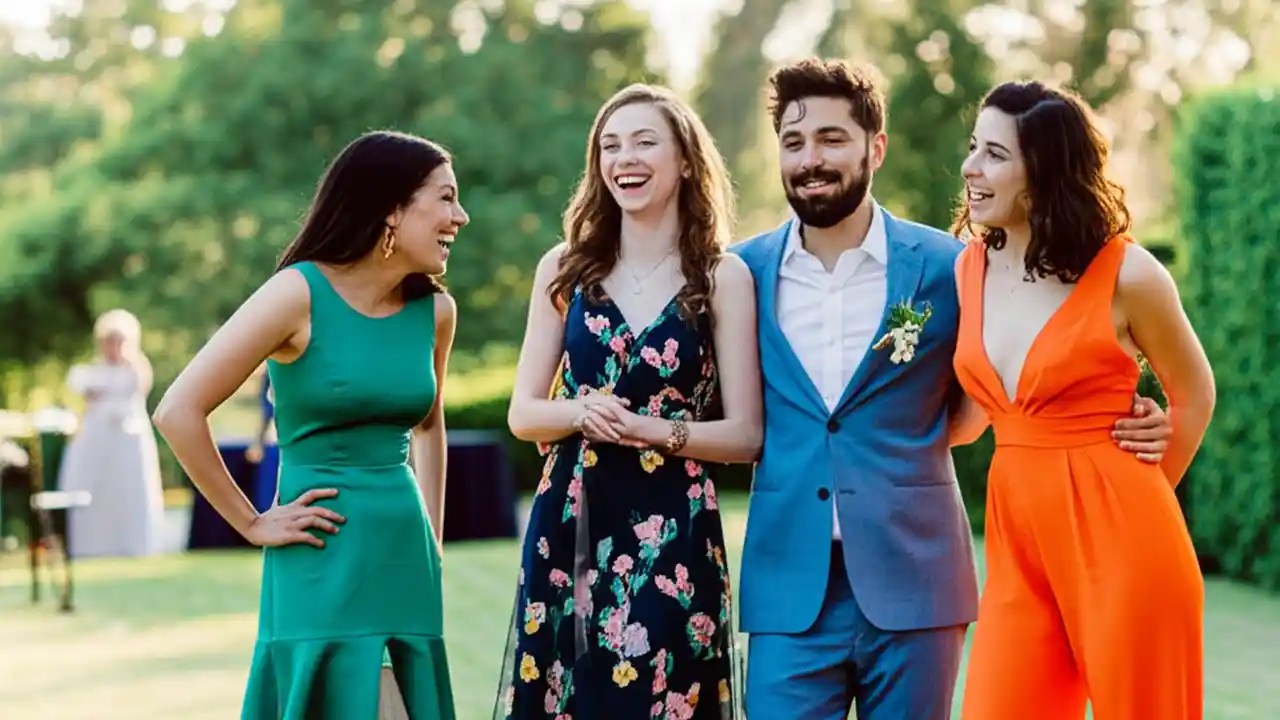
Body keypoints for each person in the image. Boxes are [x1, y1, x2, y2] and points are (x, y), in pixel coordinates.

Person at [729, 58, 1174, 720]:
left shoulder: (951, 265)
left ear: (874, 146)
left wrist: (1119, 406)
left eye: (831, 139)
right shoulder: (741, 273)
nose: (809, 159)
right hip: (787, 590)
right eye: (793, 143)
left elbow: (1016, 368)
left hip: (917, 583)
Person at [153, 129, 465, 719]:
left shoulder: (436, 312)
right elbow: (177, 411)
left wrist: (435, 540)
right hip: (319, 548)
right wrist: (250, 521)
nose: (461, 216)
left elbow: (428, 426)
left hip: (403, 553)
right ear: (393, 209)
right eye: (446, 198)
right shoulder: (296, 294)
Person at [497, 83, 762, 719]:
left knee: (663, 696)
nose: (626, 159)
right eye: (611, 146)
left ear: (687, 160)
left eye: (646, 142)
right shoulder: (563, 269)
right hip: (571, 520)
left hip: (673, 531)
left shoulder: (722, 277)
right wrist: (578, 412)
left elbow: (747, 434)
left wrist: (653, 430)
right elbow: (523, 413)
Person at [952, 80, 1214, 720]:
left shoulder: (1129, 274)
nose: (970, 167)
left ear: (1041, 172)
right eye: (973, 147)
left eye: (994, 154)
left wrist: (1139, 496)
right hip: (1017, 551)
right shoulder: (968, 269)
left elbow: (1194, 392)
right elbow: (977, 417)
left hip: (1125, 542)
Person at [58, 308, 165, 558]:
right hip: (97, 441)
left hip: (127, 440)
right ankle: (92, 545)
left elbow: (137, 391)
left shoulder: (136, 369)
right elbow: (85, 395)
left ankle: (133, 543)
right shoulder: (91, 372)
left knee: (128, 489)